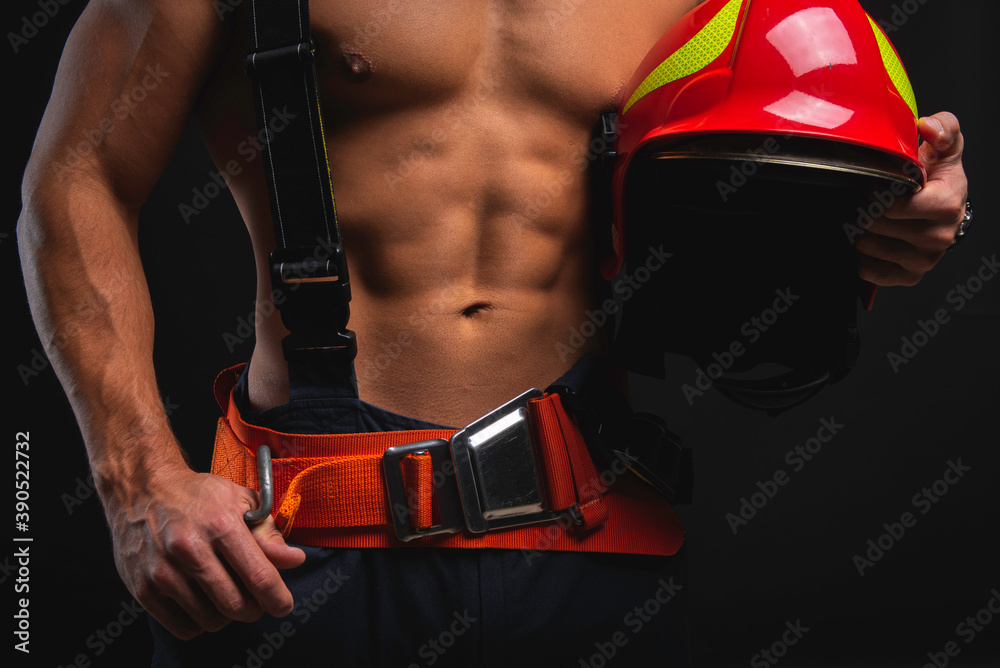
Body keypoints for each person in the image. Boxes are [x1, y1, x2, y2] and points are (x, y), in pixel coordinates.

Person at [17, 0, 968, 665]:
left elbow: (827, 140)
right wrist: (136, 479)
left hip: (594, 542)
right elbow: (77, 176)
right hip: (299, 557)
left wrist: (905, 206)